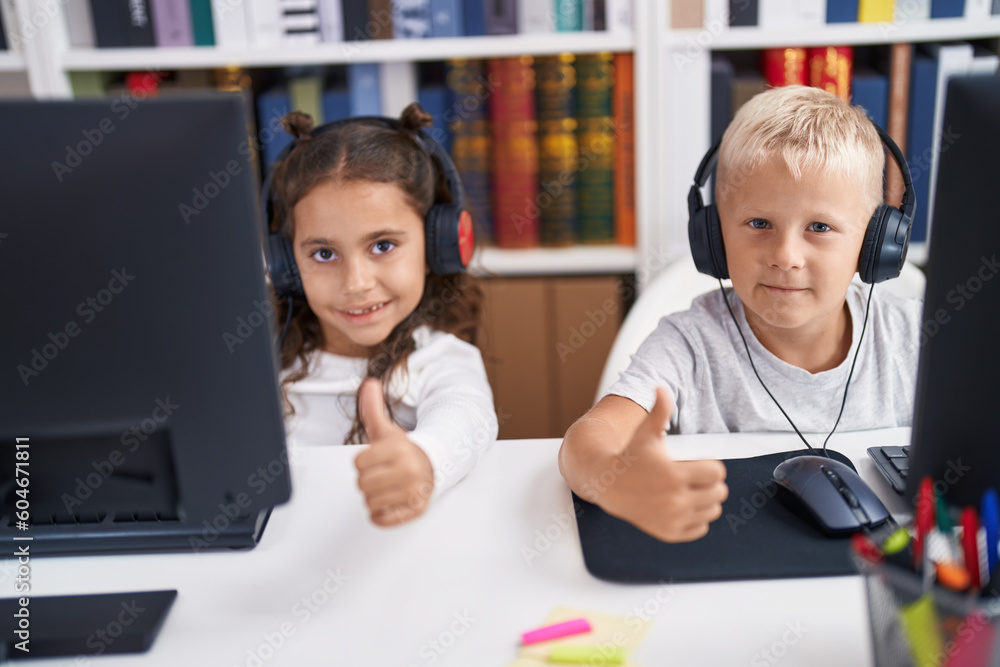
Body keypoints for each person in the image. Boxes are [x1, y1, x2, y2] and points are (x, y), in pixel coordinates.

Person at [558, 85, 923, 543]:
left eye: (819, 226)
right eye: (758, 223)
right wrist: (614, 479)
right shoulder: (689, 344)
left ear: (875, 243)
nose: (785, 256)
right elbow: (585, 441)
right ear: (713, 236)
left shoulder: (915, 337)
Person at [268, 102, 499, 528]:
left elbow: (466, 416)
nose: (356, 283)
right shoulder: (265, 363)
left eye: (382, 246)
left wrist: (423, 460)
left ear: (436, 247)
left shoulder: (441, 360)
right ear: (286, 264)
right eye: (324, 253)